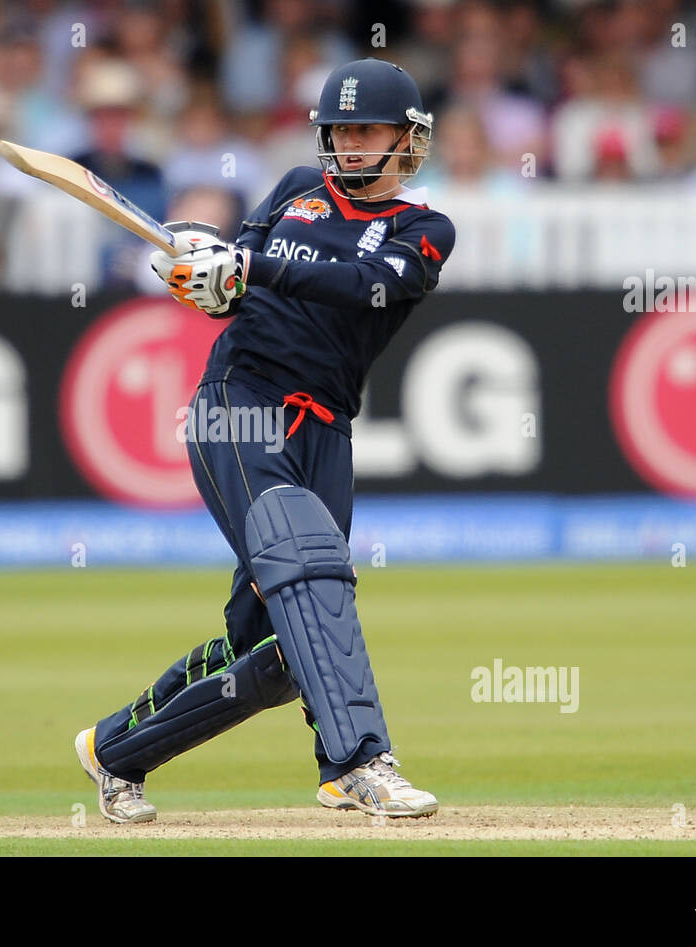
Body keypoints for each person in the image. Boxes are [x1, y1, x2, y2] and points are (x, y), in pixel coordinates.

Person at [75, 58, 455, 823]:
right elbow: (234, 289)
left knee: (276, 650)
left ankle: (115, 751)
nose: (350, 146)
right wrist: (208, 279)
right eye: (340, 131)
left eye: (368, 130)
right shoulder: (291, 190)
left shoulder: (424, 230)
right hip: (238, 405)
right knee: (307, 567)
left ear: (407, 141)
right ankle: (356, 762)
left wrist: (248, 264)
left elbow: (360, 285)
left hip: (325, 429)